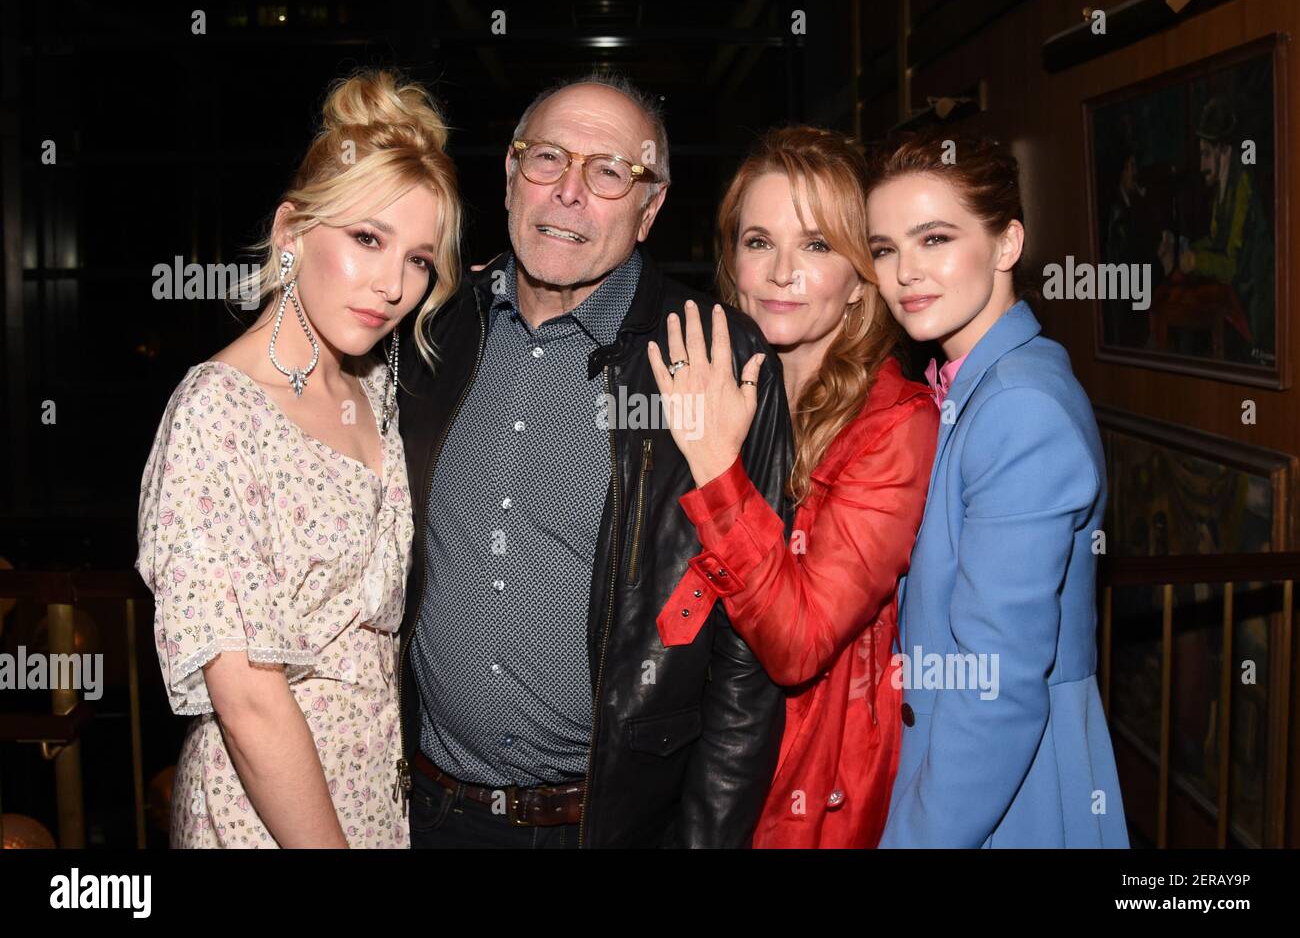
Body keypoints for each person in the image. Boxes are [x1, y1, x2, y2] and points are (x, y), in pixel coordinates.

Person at [394, 72, 792, 848]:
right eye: (547, 158)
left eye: (610, 171)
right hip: (428, 813)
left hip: (609, 827)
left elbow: (748, 661)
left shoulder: (720, 357)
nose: (569, 192)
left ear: (650, 209)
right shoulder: (429, 335)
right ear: (511, 178)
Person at [135, 69, 461, 848]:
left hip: (379, 798)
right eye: (366, 239)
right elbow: (246, 700)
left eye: (419, 260)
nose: (391, 285)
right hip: (269, 818)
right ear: (291, 235)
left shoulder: (377, 390)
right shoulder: (217, 412)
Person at [648, 125, 937, 847]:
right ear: (732, 262)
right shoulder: (713, 384)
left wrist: (715, 468)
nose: (782, 272)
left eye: (816, 246)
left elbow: (799, 641)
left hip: (807, 791)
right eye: (758, 241)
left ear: (858, 278)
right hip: (691, 773)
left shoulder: (896, 423)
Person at [865, 130, 1128, 847]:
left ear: (1008, 243)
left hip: (1010, 791)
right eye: (885, 248)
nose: (905, 274)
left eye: (936, 238)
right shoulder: (970, 381)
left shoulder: (1019, 407)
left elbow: (998, 688)